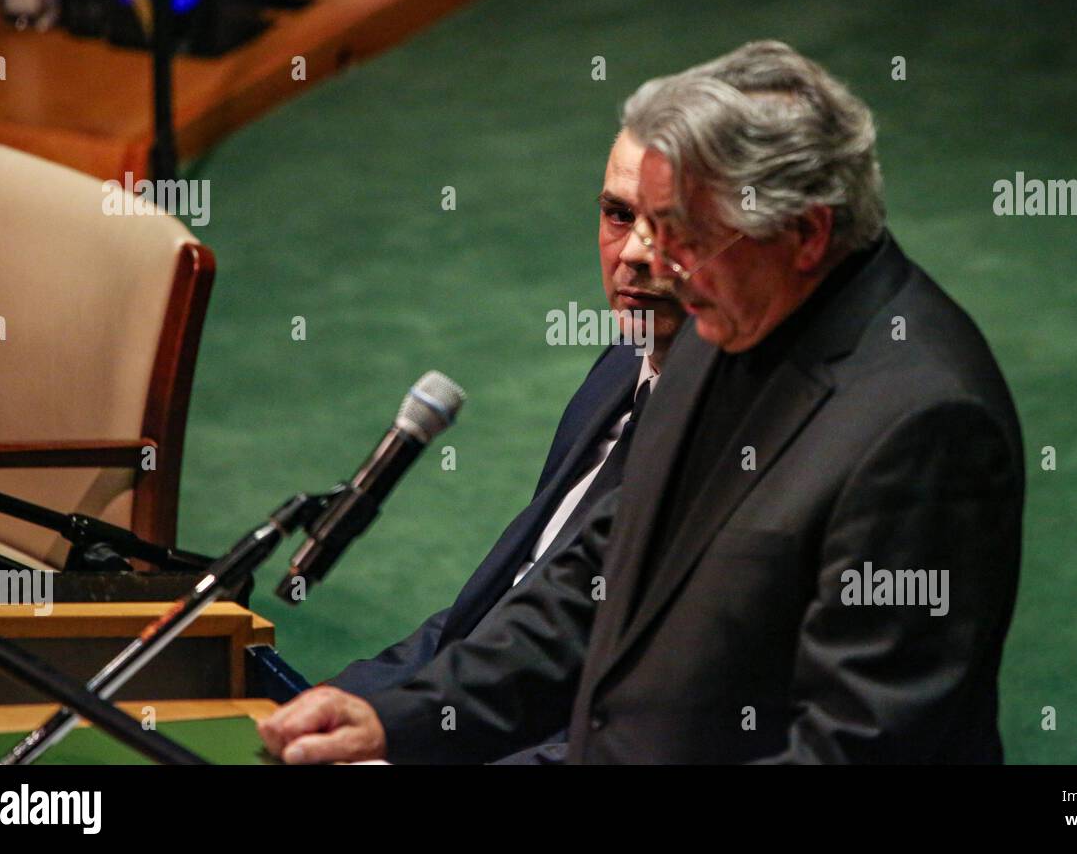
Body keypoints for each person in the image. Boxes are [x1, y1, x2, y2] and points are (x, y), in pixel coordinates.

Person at [260, 40, 1024, 764]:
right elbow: (592, 588)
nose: (651, 262)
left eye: (685, 232)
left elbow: (857, 747)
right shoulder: (718, 316)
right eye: (643, 223)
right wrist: (402, 720)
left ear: (805, 234)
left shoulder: (926, 428)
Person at [318, 129, 685, 760]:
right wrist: (357, 702)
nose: (632, 255)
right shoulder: (624, 363)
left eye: (670, 226)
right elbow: (506, 607)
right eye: (618, 216)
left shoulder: (743, 443)